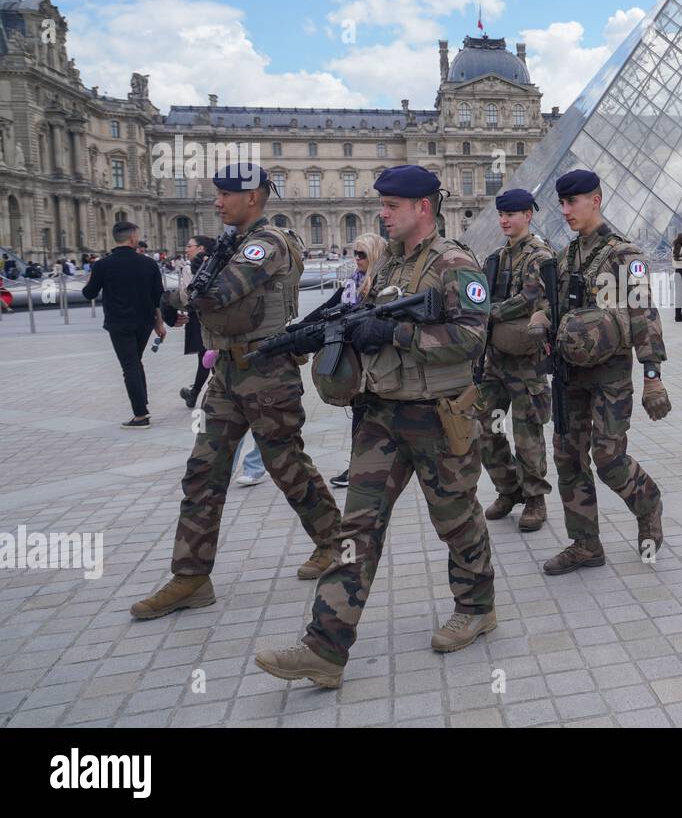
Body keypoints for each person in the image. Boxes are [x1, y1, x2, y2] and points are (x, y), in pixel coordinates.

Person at [255, 164, 495, 688]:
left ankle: (477, 606)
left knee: (455, 519)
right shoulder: (388, 268)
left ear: (422, 208)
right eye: (381, 205)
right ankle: (324, 646)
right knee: (356, 529)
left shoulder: (455, 264)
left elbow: (472, 338)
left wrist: (397, 335)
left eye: (390, 206)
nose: (381, 214)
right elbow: (364, 321)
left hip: (438, 415)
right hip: (382, 414)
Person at [129, 163, 341, 621]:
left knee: (286, 465)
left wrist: (185, 291)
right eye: (216, 192)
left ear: (254, 198)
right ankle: (191, 577)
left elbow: (214, 295)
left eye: (226, 194)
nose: (217, 201)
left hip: (266, 370)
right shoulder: (232, 243)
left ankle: (332, 541)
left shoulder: (267, 243)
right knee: (202, 473)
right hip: (225, 372)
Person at [543, 168, 670, 576]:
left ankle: (647, 502)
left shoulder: (623, 254)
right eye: (561, 203)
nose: (565, 210)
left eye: (572, 202)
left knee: (608, 456)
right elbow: (553, 307)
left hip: (611, 374)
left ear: (594, 201)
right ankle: (585, 545)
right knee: (567, 456)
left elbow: (643, 313)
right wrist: (539, 321)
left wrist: (653, 376)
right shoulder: (565, 257)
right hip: (569, 374)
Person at [478, 188, 555, 532]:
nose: (505, 220)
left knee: (527, 434)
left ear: (529, 215)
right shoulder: (496, 256)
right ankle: (508, 489)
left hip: (525, 362)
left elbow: (530, 297)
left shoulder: (539, 255)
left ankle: (535, 496)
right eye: (502, 214)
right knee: (486, 428)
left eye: (512, 214)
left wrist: (491, 312)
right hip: (494, 360)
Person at [81, 221, 165, 428]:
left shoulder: (102, 265)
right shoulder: (149, 264)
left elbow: (88, 294)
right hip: (144, 322)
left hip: (119, 323)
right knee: (136, 362)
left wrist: (92, 277)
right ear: (134, 238)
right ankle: (142, 403)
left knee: (130, 366)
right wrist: (159, 324)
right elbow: (158, 298)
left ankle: (140, 415)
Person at [325, 231, 386, 488]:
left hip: (375, 363)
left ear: (374, 256)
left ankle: (360, 469)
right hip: (359, 360)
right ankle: (363, 467)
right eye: (354, 253)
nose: (356, 258)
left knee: (366, 416)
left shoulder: (379, 285)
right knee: (365, 415)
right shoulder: (355, 281)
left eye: (361, 254)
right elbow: (331, 306)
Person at [177, 235, 217, 409]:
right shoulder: (217, 264)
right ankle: (212, 391)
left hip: (198, 317)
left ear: (201, 248)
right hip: (216, 316)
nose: (187, 249)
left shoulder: (189, 269)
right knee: (213, 355)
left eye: (189, 246)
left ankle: (196, 394)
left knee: (206, 355)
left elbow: (186, 296)